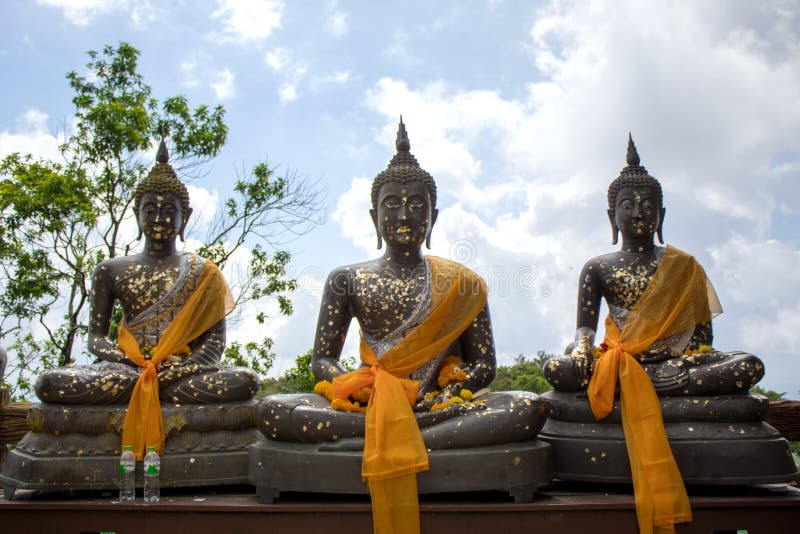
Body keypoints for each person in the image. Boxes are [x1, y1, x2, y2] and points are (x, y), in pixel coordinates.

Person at [256, 119, 546, 534]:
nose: (404, 214)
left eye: (416, 204)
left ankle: (388, 437)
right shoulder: (346, 278)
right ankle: (395, 433)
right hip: (367, 404)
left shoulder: (462, 284)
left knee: (527, 406)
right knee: (273, 410)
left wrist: (447, 392)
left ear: (434, 215)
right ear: (374, 215)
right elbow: (322, 359)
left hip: (439, 407)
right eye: (391, 204)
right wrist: (360, 387)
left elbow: (486, 365)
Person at [544, 134, 765, 534]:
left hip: (677, 369)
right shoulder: (597, 267)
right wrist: (579, 351)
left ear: (662, 214)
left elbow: (702, 340)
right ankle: (641, 387)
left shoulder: (685, 266)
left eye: (647, 205)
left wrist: (683, 364)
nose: (638, 211)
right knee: (556, 371)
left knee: (747, 367)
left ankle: (649, 387)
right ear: (611, 217)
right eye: (627, 205)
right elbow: (584, 329)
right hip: (618, 361)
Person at [35, 140, 259, 458]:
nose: (158, 219)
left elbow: (214, 344)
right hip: (125, 372)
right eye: (150, 210)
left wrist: (176, 371)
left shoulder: (202, 271)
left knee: (244, 381)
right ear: (136, 212)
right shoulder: (110, 270)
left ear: (186, 217)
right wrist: (129, 362)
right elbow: (96, 340)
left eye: (169, 212)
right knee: (50, 383)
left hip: (181, 374)